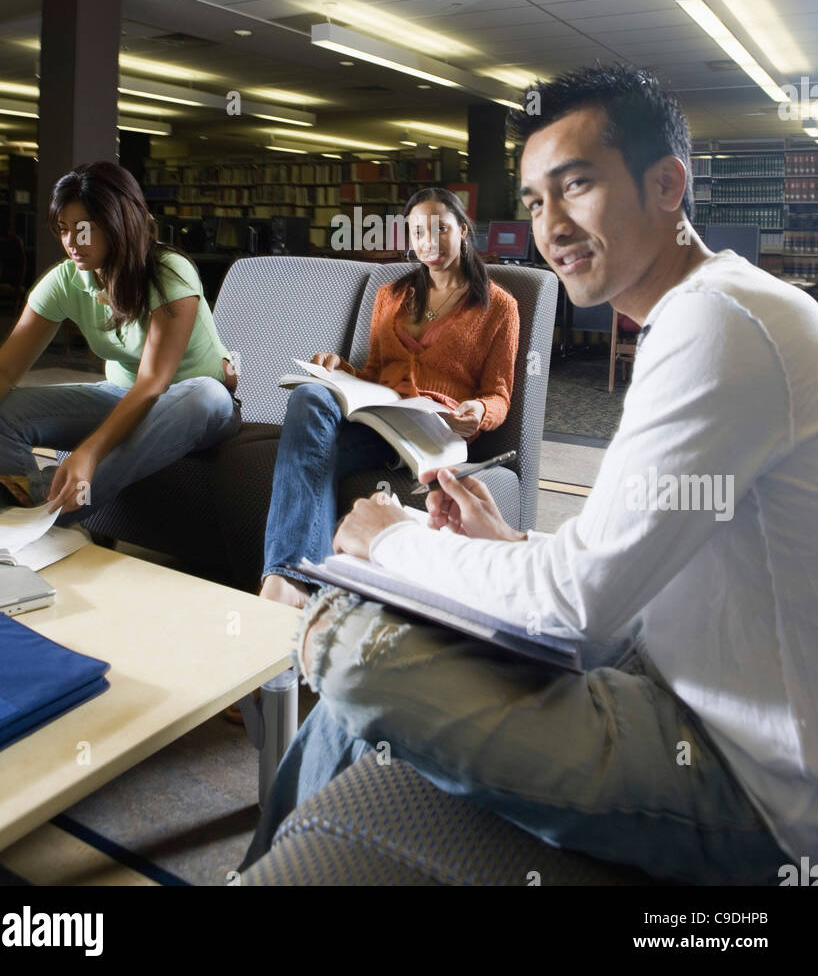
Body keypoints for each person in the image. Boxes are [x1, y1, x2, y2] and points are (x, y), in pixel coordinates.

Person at [245, 65, 818, 886]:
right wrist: (511, 540)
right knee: (370, 664)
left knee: (347, 635)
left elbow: (575, 610)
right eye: (535, 200)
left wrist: (393, 538)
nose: (551, 226)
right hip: (675, 672)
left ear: (667, 184)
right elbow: (650, 560)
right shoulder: (718, 309)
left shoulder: (717, 325)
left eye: (575, 186)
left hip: (751, 788)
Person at [259, 187, 520, 609]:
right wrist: (340, 370)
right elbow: (373, 375)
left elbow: (499, 395)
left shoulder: (498, 307)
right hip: (380, 422)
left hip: (434, 433)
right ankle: (294, 582)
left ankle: (292, 583)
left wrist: (479, 411)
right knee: (310, 395)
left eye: (440, 228)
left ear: (464, 230)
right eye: (418, 231)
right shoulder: (391, 296)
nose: (429, 241)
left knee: (308, 456)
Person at [0, 161, 241, 521]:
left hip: (194, 409)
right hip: (119, 397)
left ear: (119, 223)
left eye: (83, 229)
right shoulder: (66, 280)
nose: (71, 242)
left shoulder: (169, 272)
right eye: (63, 229)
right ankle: (21, 522)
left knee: (206, 393)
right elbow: (2, 369)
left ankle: (35, 509)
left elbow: (153, 385)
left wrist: (88, 452)